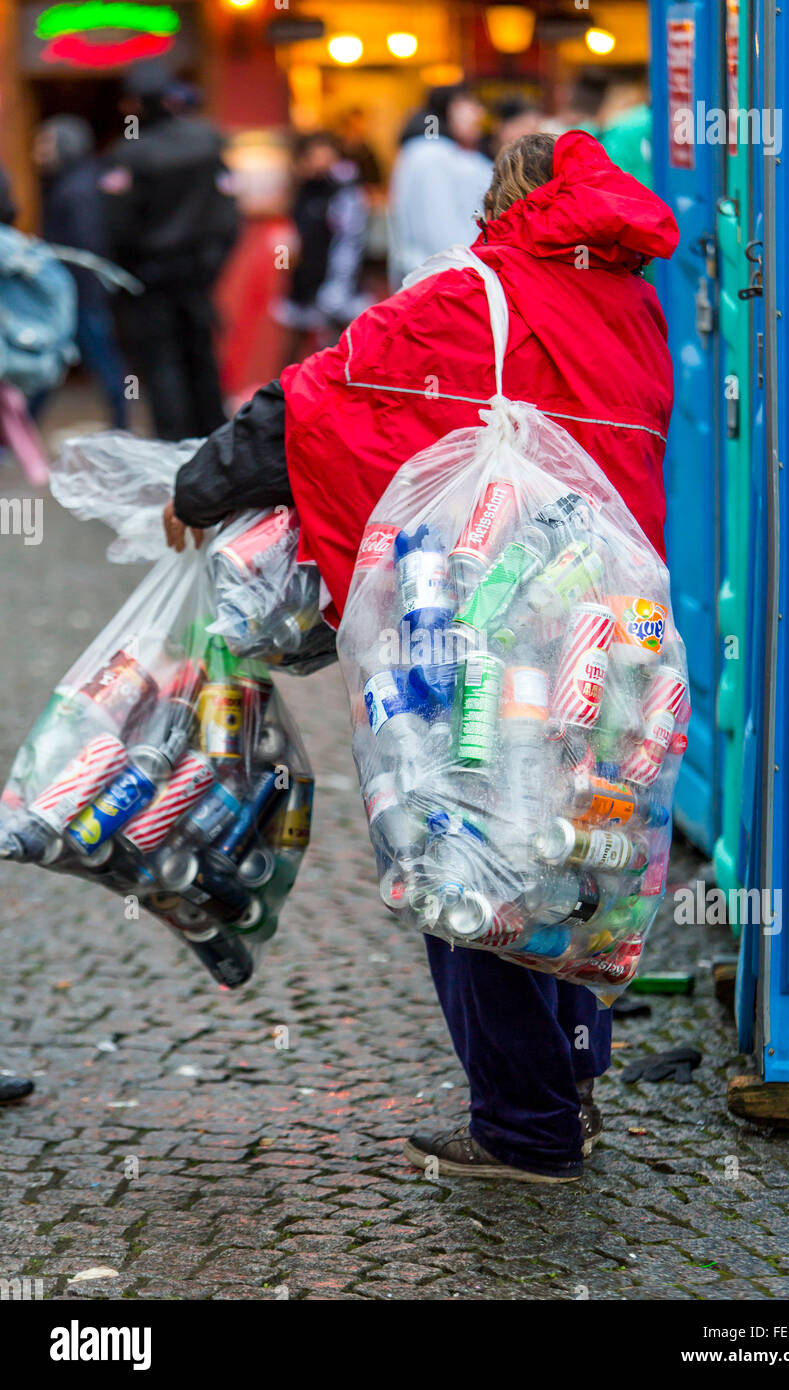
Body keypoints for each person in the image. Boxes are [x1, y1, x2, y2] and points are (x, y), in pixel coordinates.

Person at [162, 131, 678, 1181]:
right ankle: (568, 1078)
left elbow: (317, 396)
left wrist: (198, 488)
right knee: (575, 845)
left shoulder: (478, 292)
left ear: (509, 200)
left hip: (493, 624)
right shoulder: (632, 300)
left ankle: (522, 1126)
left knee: (467, 854)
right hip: (615, 621)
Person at [101, 59, 239, 440]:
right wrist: (213, 261)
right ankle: (215, 443)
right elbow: (229, 210)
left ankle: (174, 449)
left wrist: (129, 275)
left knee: (163, 364)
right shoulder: (206, 140)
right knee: (202, 356)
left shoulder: (130, 154)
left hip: (152, 277)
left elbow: (118, 225)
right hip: (198, 272)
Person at [34, 116, 130, 429]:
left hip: (79, 293)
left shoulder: (75, 190)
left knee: (97, 361)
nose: (39, 152)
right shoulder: (78, 182)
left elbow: (83, 250)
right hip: (78, 292)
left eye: (46, 144)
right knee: (55, 364)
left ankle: (122, 425)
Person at [388, 85, 492, 287]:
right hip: (440, 282)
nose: (480, 114)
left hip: (436, 279)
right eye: (472, 104)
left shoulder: (431, 151)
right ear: (451, 107)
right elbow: (440, 234)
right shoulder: (431, 154)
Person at [279, 131, 369, 361]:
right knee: (295, 349)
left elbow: (350, 240)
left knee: (336, 353)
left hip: (336, 285)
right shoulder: (304, 190)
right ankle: (284, 395)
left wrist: (338, 285)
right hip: (305, 282)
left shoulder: (344, 192)